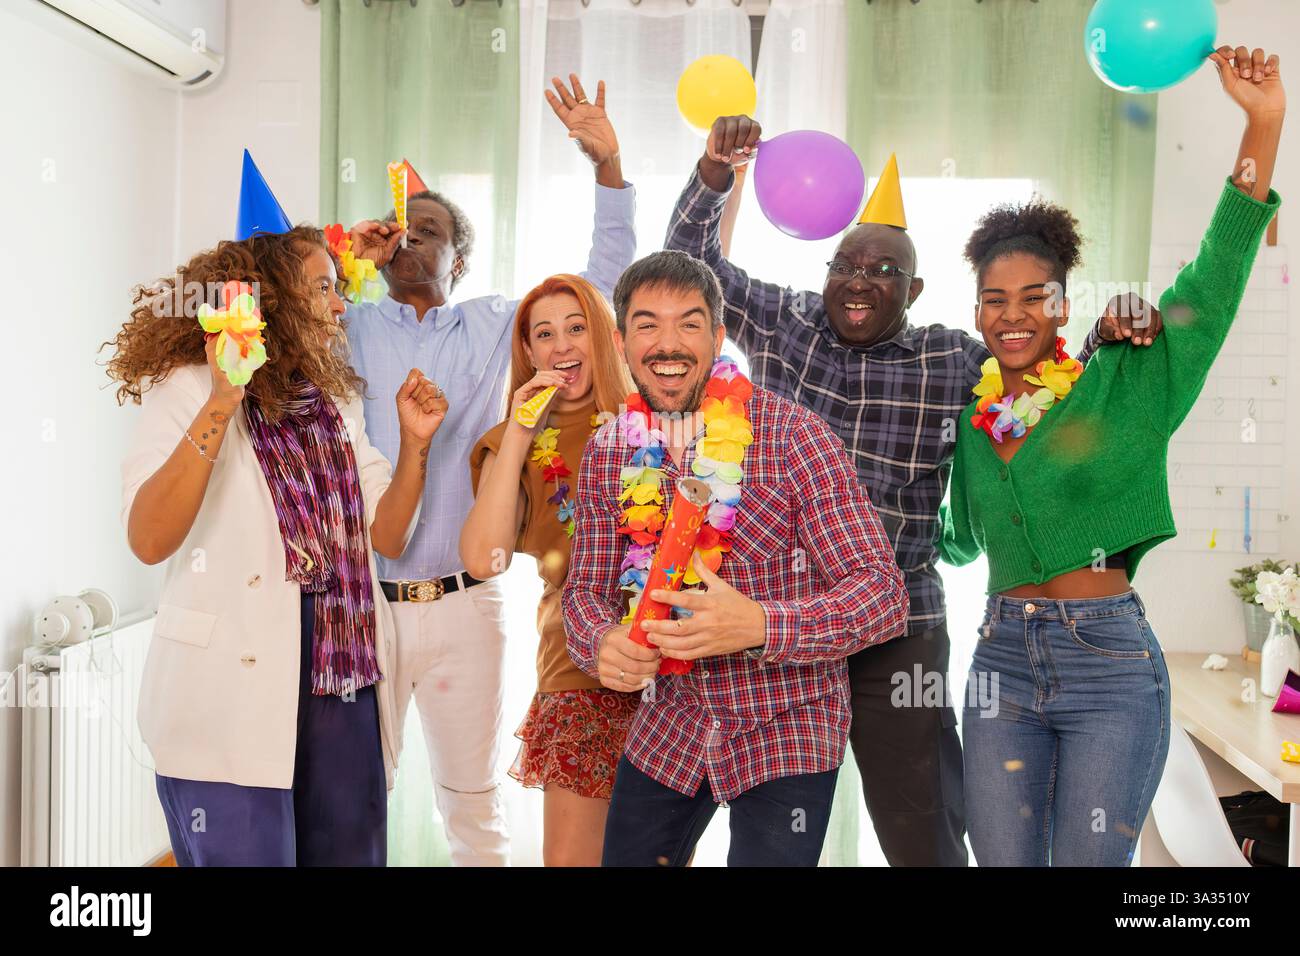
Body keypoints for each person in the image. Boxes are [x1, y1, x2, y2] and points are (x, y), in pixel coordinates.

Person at [662, 118, 1161, 867]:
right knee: (764, 829)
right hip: (775, 622)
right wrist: (712, 173)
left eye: (885, 269)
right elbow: (687, 269)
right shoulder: (785, 323)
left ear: (916, 288)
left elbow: (1043, 386)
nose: (861, 278)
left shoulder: (950, 358)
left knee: (922, 824)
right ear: (827, 270)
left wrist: (1110, 333)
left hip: (899, 628)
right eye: (848, 263)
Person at [941, 45, 1284, 866]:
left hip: (1108, 666)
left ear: (1064, 303)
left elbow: (1216, 275)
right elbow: (952, 537)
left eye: (1035, 298)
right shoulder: (972, 412)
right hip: (998, 666)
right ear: (977, 309)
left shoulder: (1128, 379)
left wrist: (1263, 121)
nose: (1012, 315)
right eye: (995, 299)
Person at [339, 75, 637, 865]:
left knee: (473, 807)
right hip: (363, 605)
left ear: (459, 257)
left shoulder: (497, 325)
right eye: (400, 228)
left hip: (468, 607)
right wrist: (346, 264)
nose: (409, 240)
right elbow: (273, 326)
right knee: (351, 798)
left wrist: (607, 168)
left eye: (428, 230)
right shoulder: (350, 327)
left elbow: (595, 294)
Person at [109, 222, 447, 866]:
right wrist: (222, 399)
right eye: (323, 288)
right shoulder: (188, 389)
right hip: (227, 694)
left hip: (341, 687)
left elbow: (389, 533)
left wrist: (416, 447)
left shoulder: (333, 401)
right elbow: (149, 538)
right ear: (269, 304)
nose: (341, 304)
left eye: (338, 288)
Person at [562, 250, 909, 866]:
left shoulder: (796, 436)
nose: (668, 344)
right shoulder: (609, 449)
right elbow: (585, 593)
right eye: (647, 324)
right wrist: (600, 642)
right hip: (671, 722)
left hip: (788, 721)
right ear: (620, 341)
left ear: (719, 337)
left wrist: (761, 626)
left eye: (689, 324)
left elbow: (882, 594)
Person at [460, 274, 636, 866]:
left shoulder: (655, 420)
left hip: (673, 674)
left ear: (604, 336)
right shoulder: (512, 444)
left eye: (576, 327)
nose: (562, 346)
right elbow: (483, 559)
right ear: (529, 353)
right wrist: (518, 432)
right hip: (577, 670)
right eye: (545, 334)